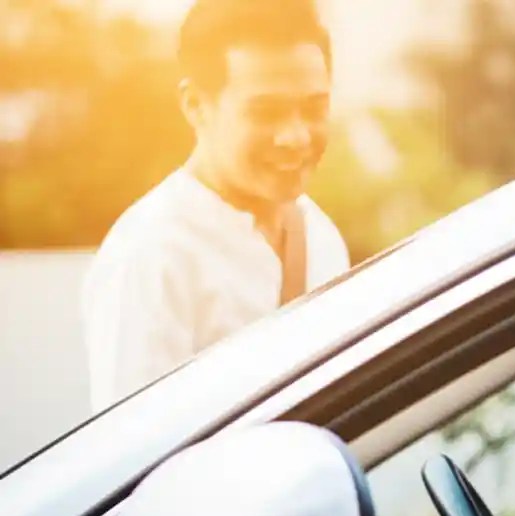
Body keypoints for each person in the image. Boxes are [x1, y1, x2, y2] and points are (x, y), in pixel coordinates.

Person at [81, 0, 349, 413]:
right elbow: (133, 455)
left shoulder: (322, 238)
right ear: (195, 105)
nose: (295, 136)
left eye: (314, 109)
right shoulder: (151, 256)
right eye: (266, 112)